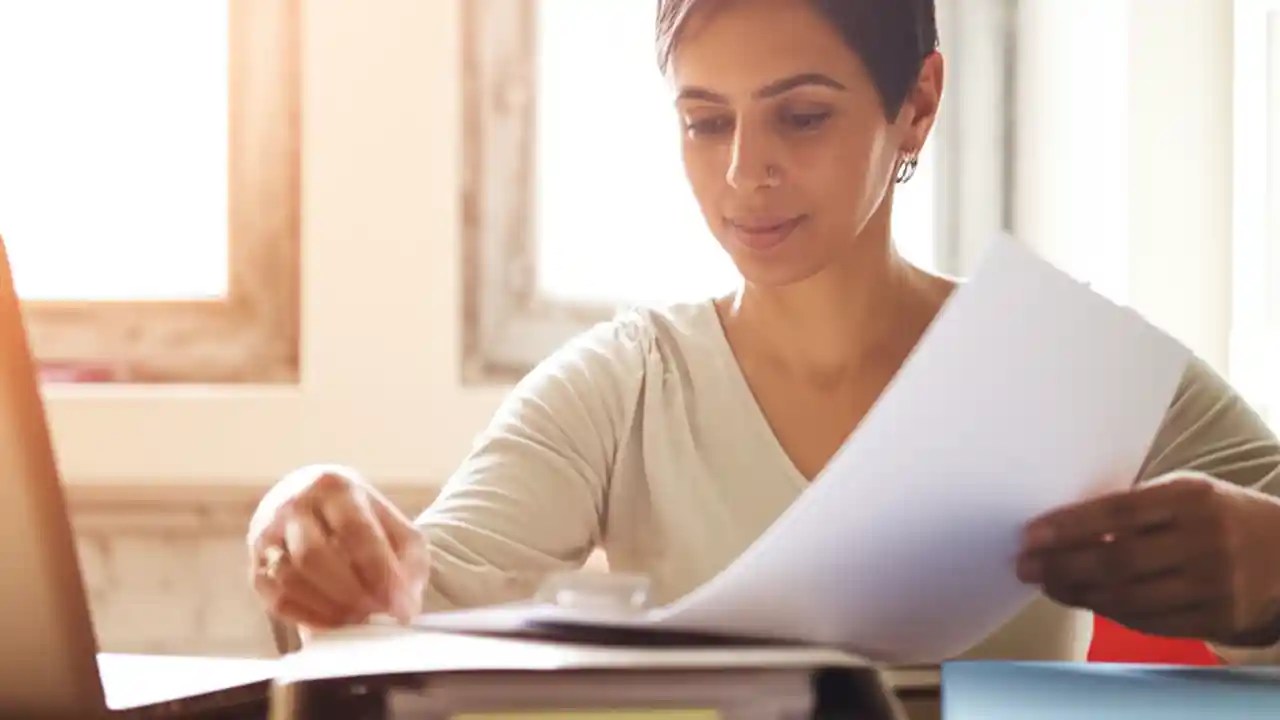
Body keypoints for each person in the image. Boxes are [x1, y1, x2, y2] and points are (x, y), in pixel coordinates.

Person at [246, 0, 1280, 663]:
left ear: (914, 107)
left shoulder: (1056, 360)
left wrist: (1269, 565)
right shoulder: (624, 387)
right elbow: (411, 603)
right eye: (705, 122)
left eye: (801, 115)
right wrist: (305, 528)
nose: (744, 173)